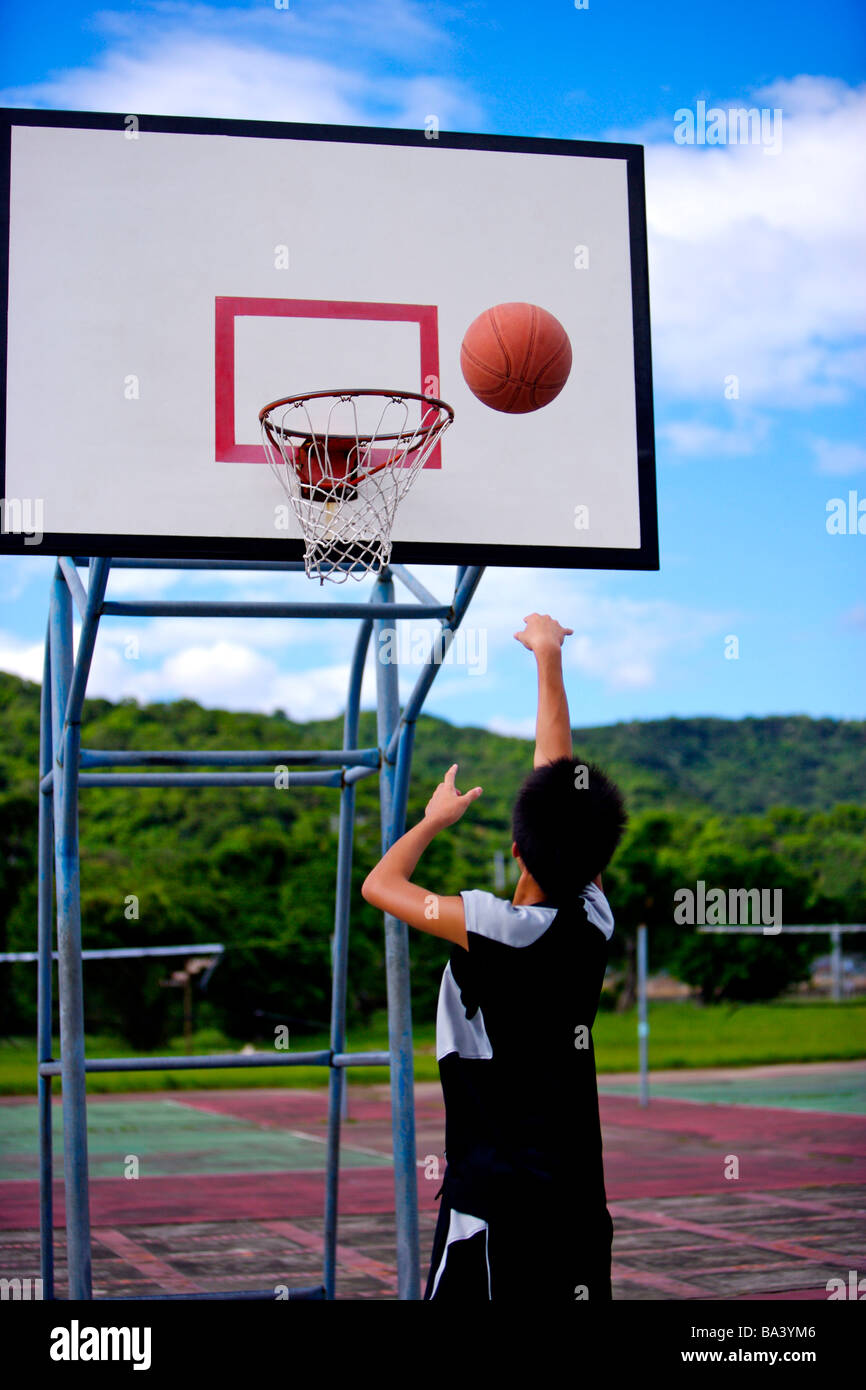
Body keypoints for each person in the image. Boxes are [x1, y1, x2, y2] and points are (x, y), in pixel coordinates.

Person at [361, 613, 627, 1301]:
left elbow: (380, 887)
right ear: (597, 861)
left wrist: (431, 820)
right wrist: (548, 660)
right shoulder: (592, 919)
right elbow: (560, 785)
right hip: (574, 1198)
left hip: (494, 1204)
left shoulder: (495, 925)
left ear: (516, 851)